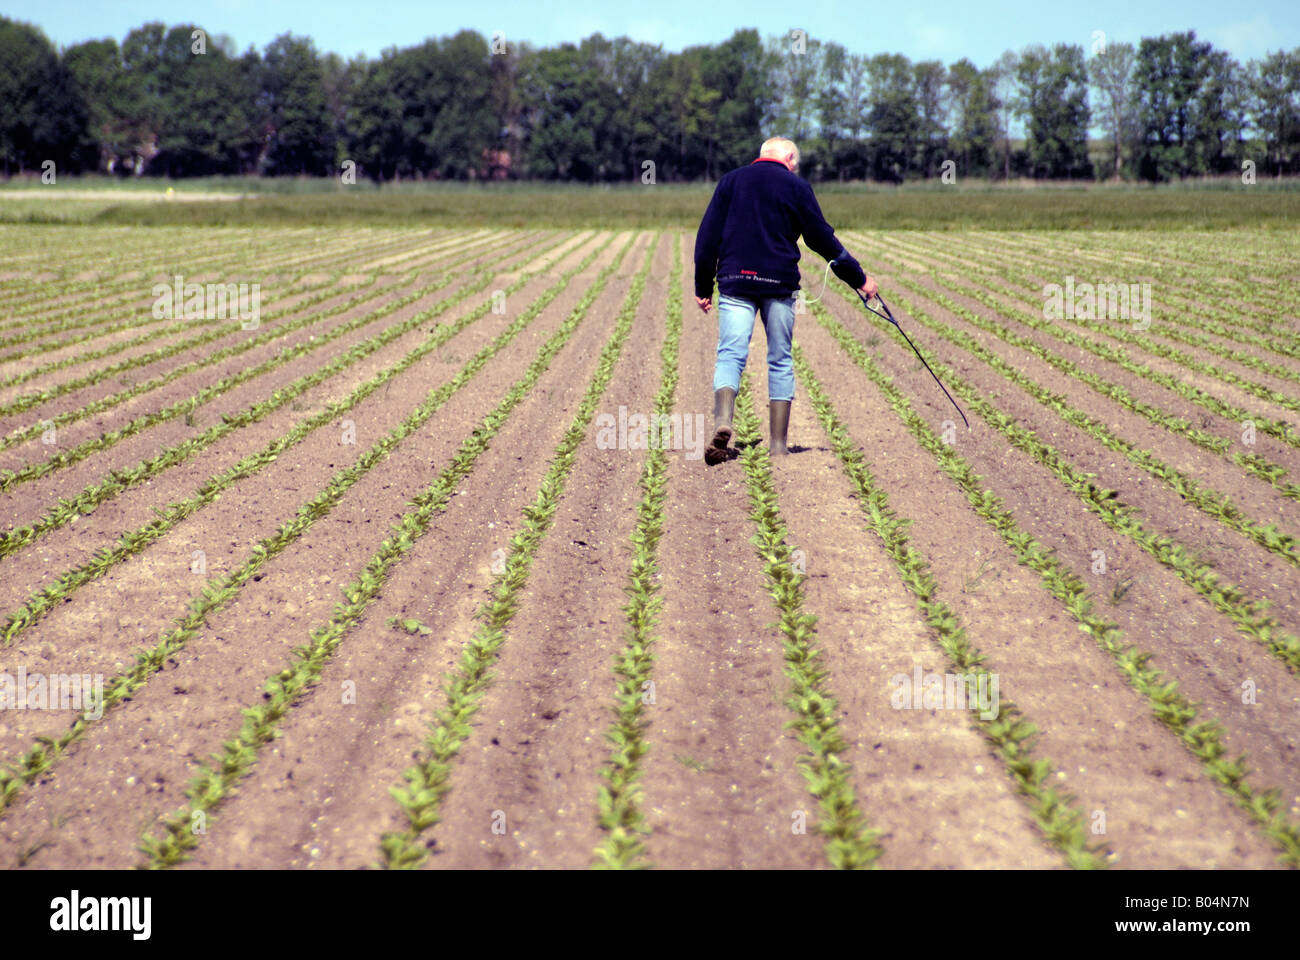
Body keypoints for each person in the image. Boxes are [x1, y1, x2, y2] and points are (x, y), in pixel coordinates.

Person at [694, 136, 877, 464]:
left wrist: (703, 287)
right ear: (789, 157)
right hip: (778, 285)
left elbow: (707, 236)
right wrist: (859, 279)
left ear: (762, 155)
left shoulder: (730, 181)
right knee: (779, 358)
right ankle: (778, 446)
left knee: (730, 355)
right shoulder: (797, 187)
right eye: (796, 163)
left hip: (735, 282)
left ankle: (723, 421)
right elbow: (822, 239)